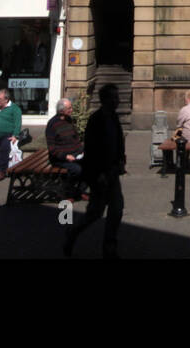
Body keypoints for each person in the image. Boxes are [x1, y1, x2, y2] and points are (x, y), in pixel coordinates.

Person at [64, 84, 126, 258]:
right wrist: (99, 175)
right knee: (96, 212)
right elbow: (92, 150)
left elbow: (118, 141)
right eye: (114, 97)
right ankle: (72, 233)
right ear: (105, 100)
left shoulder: (114, 117)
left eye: (117, 97)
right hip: (99, 174)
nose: (117, 100)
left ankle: (109, 247)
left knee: (117, 208)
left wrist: (121, 160)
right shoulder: (96, 120)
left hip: (112, 172)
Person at [46, 96, 85, 198]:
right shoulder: (52, 124)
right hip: (60, 158)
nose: (72, 110)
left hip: (74, 154)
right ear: (62, 111)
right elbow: (52, 148)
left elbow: (75, 139)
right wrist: (66, 156)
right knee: (76, 170)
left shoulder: (69, 120)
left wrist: (82, 151)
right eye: (69, 109)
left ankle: (79, 191)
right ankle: (68, 193)